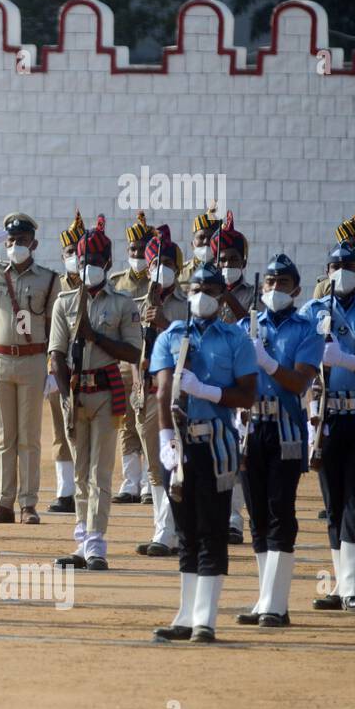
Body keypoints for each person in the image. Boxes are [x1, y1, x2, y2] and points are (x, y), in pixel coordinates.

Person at [151, 265, 257, 643]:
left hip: (216, 442)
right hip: (178, 443)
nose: (202, 294)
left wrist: (207, 391)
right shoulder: (171, 336)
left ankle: (205, 619)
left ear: (221, 293)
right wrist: (165, 439)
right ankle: (185, 614)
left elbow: (247, 395)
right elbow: (163, 392)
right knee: (185, 531)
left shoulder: (235, 339)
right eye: (196, 287)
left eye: (210, 288)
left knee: (212, 529)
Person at [49, 216, 142, 570]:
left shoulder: (123, 303)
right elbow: (56, 354)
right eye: (83, 260)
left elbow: (133, 353)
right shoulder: (65, 302)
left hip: (106, 393)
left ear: (107, 264)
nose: (88, 267)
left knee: (100, 472)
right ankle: (82, 539)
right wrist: (65, 396)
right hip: (75, 394)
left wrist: (94, 336)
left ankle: (97, 543)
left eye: (95, 262)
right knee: (79, 472)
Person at [232, 253, 321, 627]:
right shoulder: (244, 326)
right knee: (256, 517)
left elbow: (300, 382)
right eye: (268, 283)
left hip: (285, 427)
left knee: (280, 511)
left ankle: (278, 603)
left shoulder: (306, 330)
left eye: (281, 283)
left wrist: (266, 363)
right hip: (252, 426)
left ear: (296, 289)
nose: (273, 289)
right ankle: (265, 597)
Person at [0, 212, 59, 524]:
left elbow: (58, 325)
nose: (16, 245)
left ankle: (28, 504)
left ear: (34, 243)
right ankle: (3, 503)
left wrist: (54, 366)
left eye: (22, 240)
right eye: (11, 240)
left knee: (29, 436)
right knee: (5, 437)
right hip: (0, 359)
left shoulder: (48, 278)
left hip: (32, 359)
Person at [300, 241, 355, 613]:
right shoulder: (311, 311)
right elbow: (296, 363)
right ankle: (340, 584)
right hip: (327, 417)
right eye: (334, 265)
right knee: (334, 503)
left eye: (348, 264)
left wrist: (346, 359)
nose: (340, 271)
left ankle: (353, 587)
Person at [133, 226, 188, 558]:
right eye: (155, 262)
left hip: (176, 393)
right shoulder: (137, 304)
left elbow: (194, 349)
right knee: (154, 465)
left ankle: (169, 533)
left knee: (173, 461)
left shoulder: (188, 303)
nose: (160, 269)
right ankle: (163, 530)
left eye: (167, 262)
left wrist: (166, 324)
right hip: (146, 392)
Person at [209, 211, 255, 544]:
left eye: (234, 259)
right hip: (210, 379)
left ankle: (234, 518)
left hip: (240, 382)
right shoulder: (203, 291)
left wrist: (226, 297)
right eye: (222, 259)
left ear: (243, 260)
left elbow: (252, 327)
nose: (228, 264)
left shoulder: (251, 294)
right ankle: (213, 513)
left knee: (237, 452)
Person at [109, 211, 155, 505]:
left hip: (151, 360)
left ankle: (152, 482)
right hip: (125, 361)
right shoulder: (117, 282)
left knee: (149, 422)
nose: (137, 254)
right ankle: (131, 482)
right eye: (133, 250)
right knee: (126, 421)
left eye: (142, 249)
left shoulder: (158, 282)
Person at [46, 210, 86, 514]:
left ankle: (89, 488)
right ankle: (65, 490)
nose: (75, 256)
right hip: (61, 364)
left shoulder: (97, 284)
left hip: (93, 366)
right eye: (70, 251)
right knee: (62, 427)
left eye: (80, 251)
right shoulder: (54, 286)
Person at [177, 203, 220, 287]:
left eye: (211, 237)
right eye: (201, 237)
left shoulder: (223, 272)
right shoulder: (180, 272)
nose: (206, 242)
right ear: (192, 245)